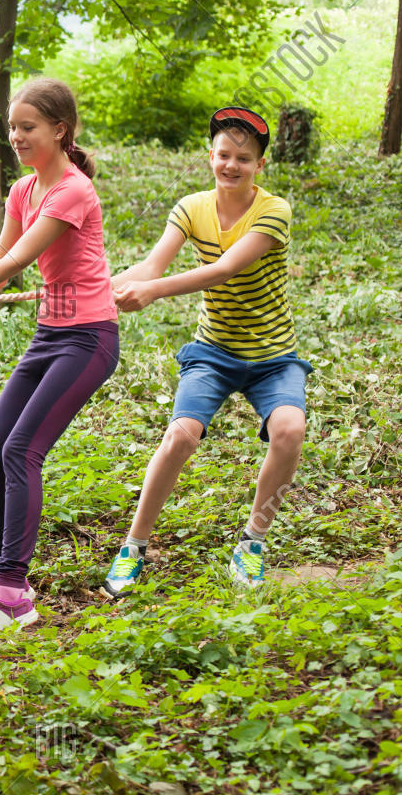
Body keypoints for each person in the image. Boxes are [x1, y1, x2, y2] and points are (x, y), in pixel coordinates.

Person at [0, 78, 119, 638]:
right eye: (12, 126)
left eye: (27, 127)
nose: (15, 135)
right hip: (49, 334)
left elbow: (19, 258)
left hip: (88, 338)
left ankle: (12, 595)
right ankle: (4, 581)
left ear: (60, 131)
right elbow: (4, 264)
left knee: (21, 451)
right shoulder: (23, 190)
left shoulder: (73, 191)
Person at [103, 106, 301, 595]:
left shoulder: (274, 211)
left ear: (259, 165)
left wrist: (154, 292)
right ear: (210, 156)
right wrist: (98, 290)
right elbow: (151, 266)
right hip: (213, 350)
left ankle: (252, 542)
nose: (232, 165)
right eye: (224, 154)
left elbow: (225, 268)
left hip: (273, 356)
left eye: (244, 158)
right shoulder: (191, 208)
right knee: (180, 437)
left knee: (290, 431)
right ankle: (133, 547)